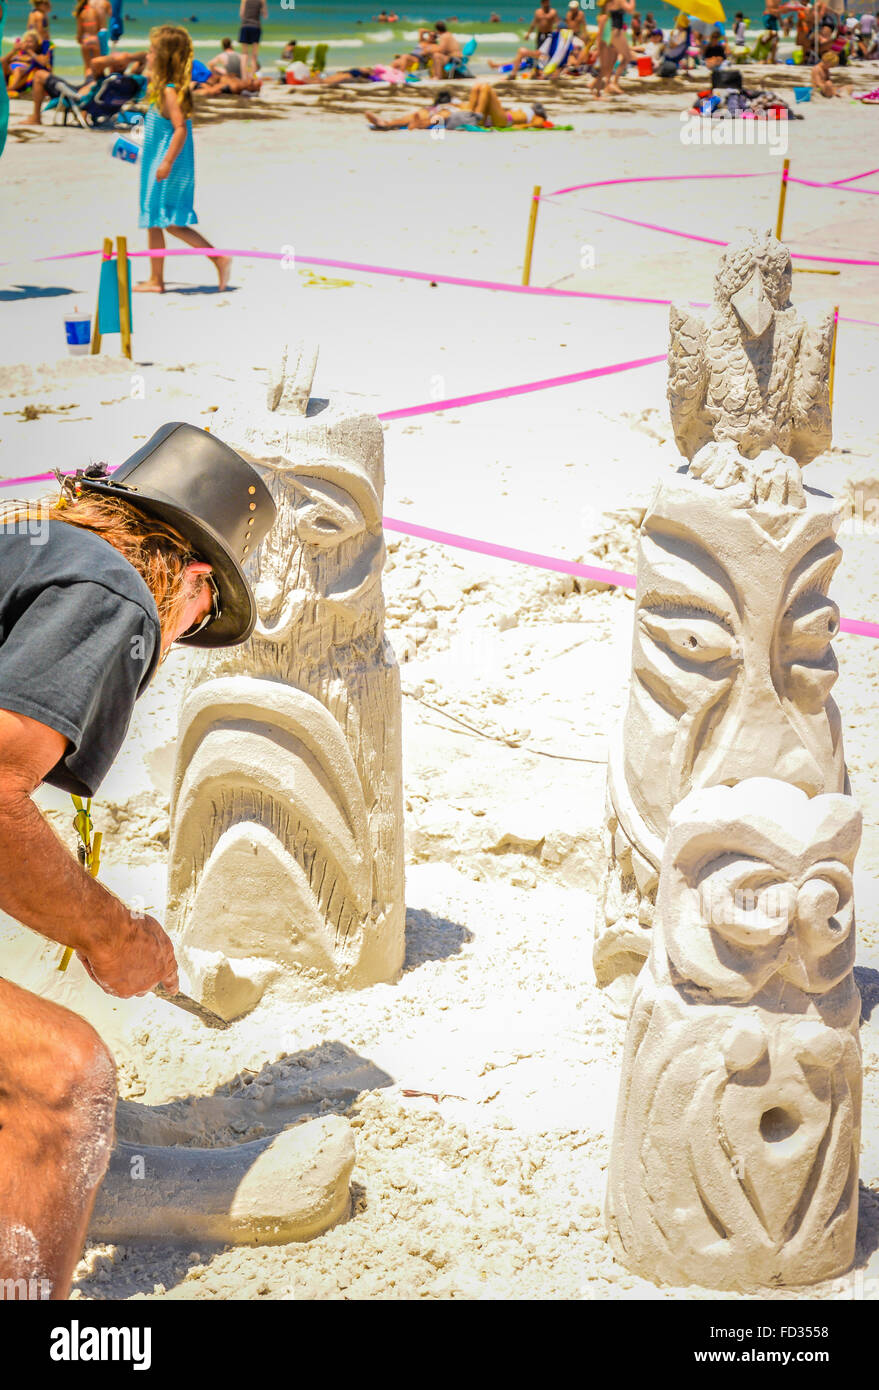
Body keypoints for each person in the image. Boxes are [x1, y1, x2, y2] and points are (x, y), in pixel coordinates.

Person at [0, 423, 276, 1302]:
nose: (180, 637)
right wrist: (109, 933)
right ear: (192, 579)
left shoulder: (30, 542)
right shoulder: (113, 590)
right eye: (196, 623)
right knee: (63, 1076)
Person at [135, 25, 232, 294]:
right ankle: (156, 279)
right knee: (155, 220)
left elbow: (179, 129)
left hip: (169, 166)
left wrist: (165, 163)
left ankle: (219, 258)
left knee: (171, 223)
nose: (148, 54)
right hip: (158, 163)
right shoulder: (164, 89)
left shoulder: (168, 91)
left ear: (164, 57)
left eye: (153, 51)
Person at [364, 82, 552, 128]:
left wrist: (523, 125)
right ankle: (387, 123)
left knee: (484, 86)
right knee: (478, 87)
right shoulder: (526, 110)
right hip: (497, 115)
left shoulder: (537, 117)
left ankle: (474, 114)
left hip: (504, 121)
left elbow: (532, 125)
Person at [74, 0, 109, 75]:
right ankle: (98, 83)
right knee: (98, 65)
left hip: (86, 40)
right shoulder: (94, 11)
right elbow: (100, 27)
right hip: (95, 39)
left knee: (87, 66)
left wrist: (79, 39)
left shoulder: (81, 13)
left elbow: (80, 31)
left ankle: (87, 83)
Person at [238, 0, 266, 79]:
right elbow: (264, 14)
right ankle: (252, 78)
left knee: (244, 53)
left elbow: (241, 14)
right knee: (254, 55)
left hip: (245, 26)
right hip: (256, 26)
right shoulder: (262, 0)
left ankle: (243, 78)